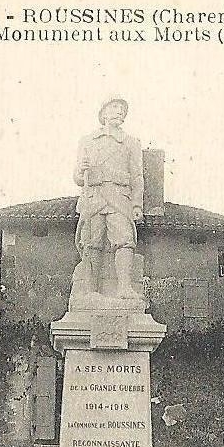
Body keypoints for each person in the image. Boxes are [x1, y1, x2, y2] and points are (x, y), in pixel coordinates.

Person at [73, 96, 145, 301]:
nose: (119, 111)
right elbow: (77, 177)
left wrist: (137, 204)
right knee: (91, 242)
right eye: (114, 107)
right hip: (94, 196)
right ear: (103, 113)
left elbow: (138, 176)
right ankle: (90, 291)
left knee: (125, 240)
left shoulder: (131, 143)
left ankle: (124, 288)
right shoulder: (87, 141)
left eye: (122, 109)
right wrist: (81, 170)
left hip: (119, 197)